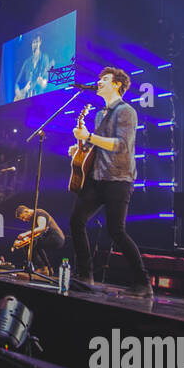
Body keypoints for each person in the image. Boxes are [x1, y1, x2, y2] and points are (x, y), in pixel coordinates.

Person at [67, 66, 153, 298]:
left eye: (104, 79)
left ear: (116, 84)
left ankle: (143, 283)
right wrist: (80, 148)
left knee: (117, 231)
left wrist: (89, 137)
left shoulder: (126, 111)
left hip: (119, 179)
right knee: (76, 221)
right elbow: (100, 146)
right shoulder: (99, 114)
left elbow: (120, 145)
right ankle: (85, 275)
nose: (99, 82)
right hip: (97, 178)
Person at [14, 204, 66, 276]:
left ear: (26, 211)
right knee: (35, 244)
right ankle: (47, 269)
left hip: (55, 237)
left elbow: (42, 227)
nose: (24, 220)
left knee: (30, 245)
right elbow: (34, 235)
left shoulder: (39, 213)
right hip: (50, 237)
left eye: (23, 217)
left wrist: (25, 234)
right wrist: (21, 241)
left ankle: (42, 268)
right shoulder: (33, 220)